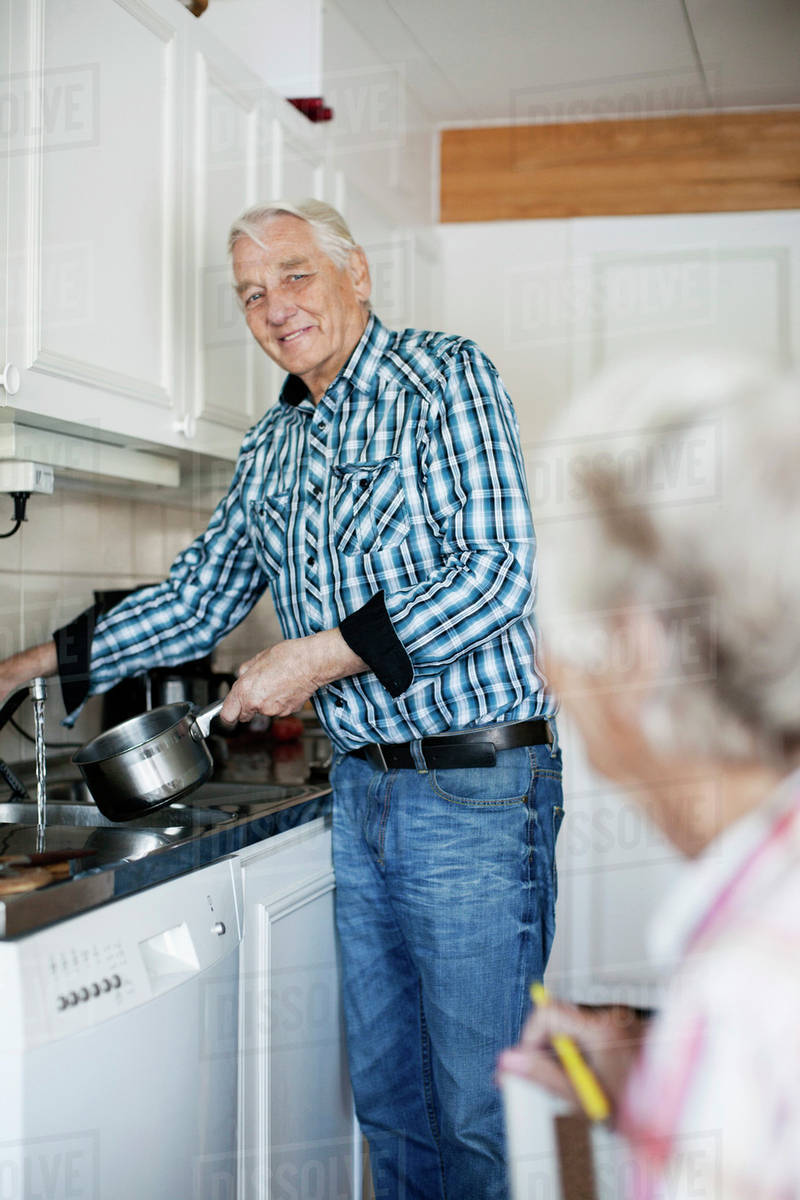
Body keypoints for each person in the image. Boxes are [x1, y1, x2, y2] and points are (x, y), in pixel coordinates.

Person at [0, 199, 563, 1199]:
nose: (276, 305)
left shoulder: (443, 377)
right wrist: (19, 667)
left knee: (479, 1111)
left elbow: (494, 572)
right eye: (251, 293)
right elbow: (191, 602)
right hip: (363, 793)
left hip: (474, 785)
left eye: (295, 275)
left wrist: (314, 659)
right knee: (390, 1100)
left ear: (358, 274)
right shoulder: (270, 447)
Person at [497, 354, 800, 1199]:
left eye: (552, 634)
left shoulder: (749, 991)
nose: (550, 674)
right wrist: (661, 1093)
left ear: (638, 649)